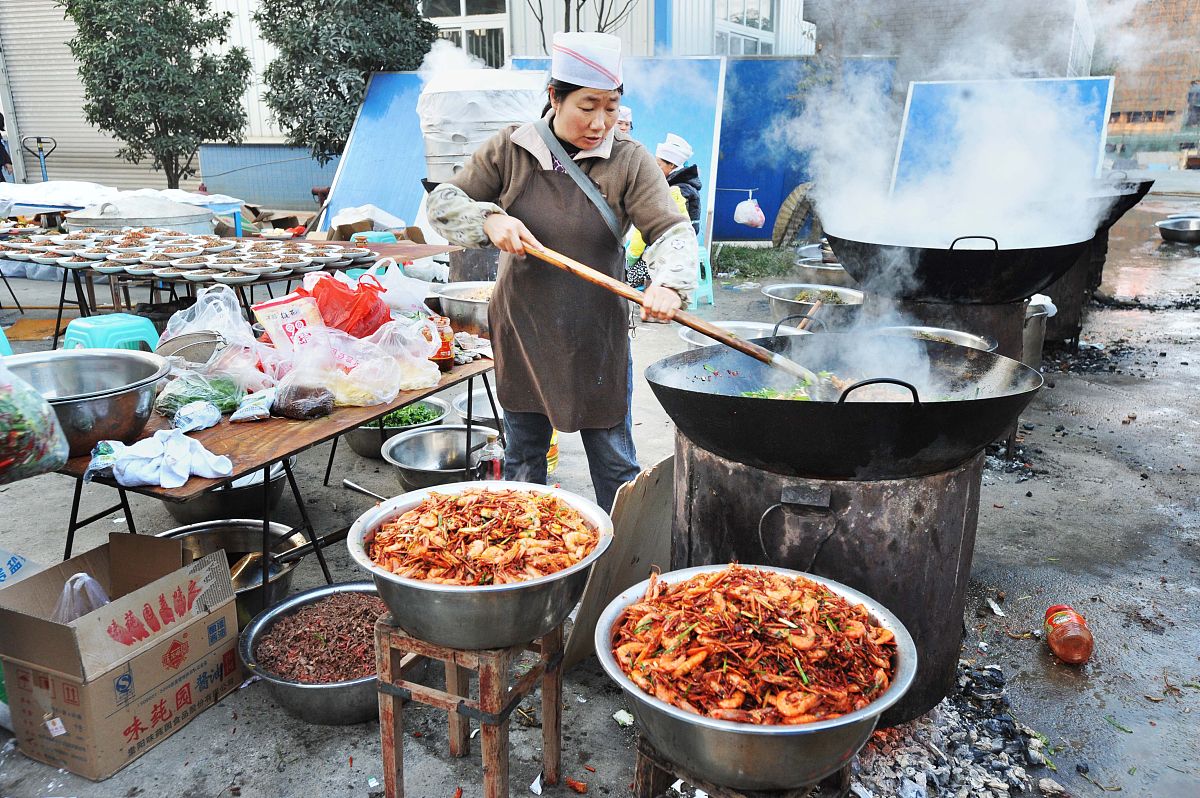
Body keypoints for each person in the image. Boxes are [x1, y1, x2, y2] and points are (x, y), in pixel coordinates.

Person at [427, 31, 697, 512]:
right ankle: (523, 547)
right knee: (523, 459)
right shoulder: (512, 148)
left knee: (615, 463)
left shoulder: (630, 160)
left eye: (611, 107)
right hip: (523, 330)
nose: (600, 123)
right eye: (587, 106)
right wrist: (488, 218)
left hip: (597, 334)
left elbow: (670, 229)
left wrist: (670, 284)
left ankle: (624, 551)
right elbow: (443, 200)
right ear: (554, 97)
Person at [626, 133, 703, 286]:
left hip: (669, 256)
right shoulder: (686, 186)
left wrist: (631, 257)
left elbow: (649, 226)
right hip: (679, 251)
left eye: (658, 165)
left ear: (672, 165)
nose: (655, 169)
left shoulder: (674, 191)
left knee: (625, 279)